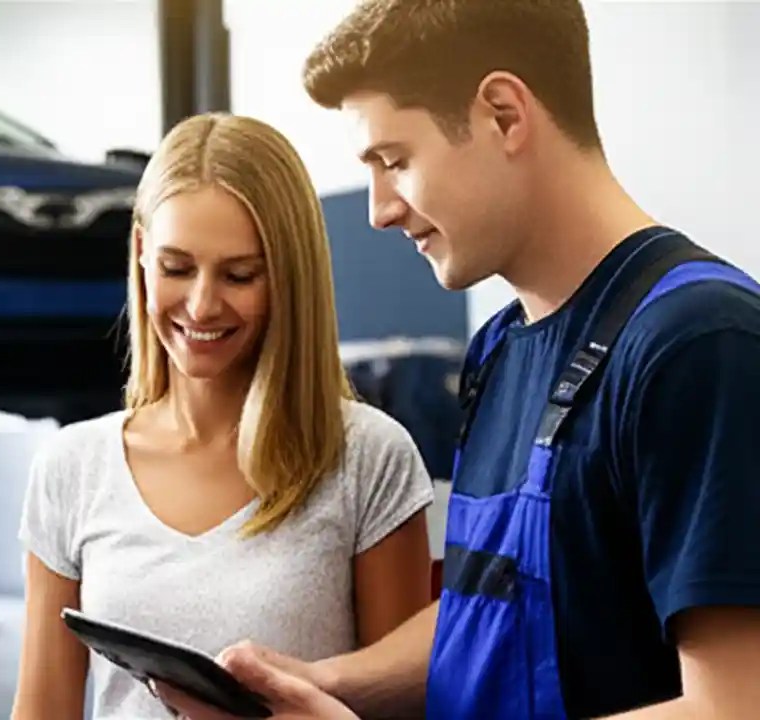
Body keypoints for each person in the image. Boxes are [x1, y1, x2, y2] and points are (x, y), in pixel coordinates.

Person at [158, 0, 760, 718]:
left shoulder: (698, 344)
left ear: (504, 114)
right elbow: (496, 604)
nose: (378, 208)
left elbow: (735, 705)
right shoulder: (499, 351)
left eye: (395, 161)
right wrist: (326, 683)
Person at [9, 112, 436, 720]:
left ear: (289, 275)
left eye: (240, 275)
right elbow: (42, 711)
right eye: (176, 268)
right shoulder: (73, 468)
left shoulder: (368, 457)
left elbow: (406, 706)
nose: (203, 305)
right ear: (139, 253)